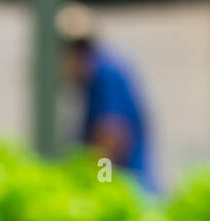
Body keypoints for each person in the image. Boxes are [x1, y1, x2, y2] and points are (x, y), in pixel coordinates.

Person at [58, 3, 156, 192]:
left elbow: (111, 136)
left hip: (129, 189)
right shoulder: (104, 69)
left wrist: (100, 182)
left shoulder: (104, 72)